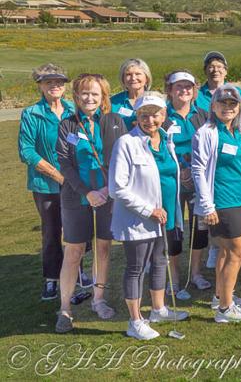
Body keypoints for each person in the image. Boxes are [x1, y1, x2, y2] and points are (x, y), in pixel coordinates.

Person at [109, 92, 189, 340]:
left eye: (155, 114)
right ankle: (135, 321)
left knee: (160, 261)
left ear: (163, 115)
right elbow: (117, 188)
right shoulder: (126, 143)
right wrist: (148, 210)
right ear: (137, 116)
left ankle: (158, 309)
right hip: (139, 219)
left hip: (166, 215)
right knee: (136, 267)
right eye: (144, 115)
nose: (150, 120)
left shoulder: (166, 140)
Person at [55, 74, 127, 333]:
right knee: (73, 252)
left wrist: (108, 189)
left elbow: (123, 157)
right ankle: (65, 308)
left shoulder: (115, 121)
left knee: (103, 249)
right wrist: (87, 192)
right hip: (77, 197)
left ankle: (99, 299)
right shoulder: (67, 125)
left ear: (103, 96)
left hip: (108, 196)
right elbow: (65, 164)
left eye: (95, 93)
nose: (89, 98)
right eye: (84, 93)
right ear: (76, 96)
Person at [192, 84, 241, 322]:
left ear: (239, 107)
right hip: (222, 201)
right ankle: (225, 309)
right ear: (213, 106)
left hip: (238, 199)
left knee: (225, 250)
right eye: (223, 103)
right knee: (238, 252)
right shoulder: (207, 132)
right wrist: (207, 206)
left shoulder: (238, 132)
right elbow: (198, 170)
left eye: (233, 103)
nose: (228, 107)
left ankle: (221, 296)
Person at [19, 64, 75, 301]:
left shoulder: (73, 109)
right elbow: (27, 152)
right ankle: (52, 278)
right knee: (52, 231)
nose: (55, 86)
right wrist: (59, 176)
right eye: (49, 82)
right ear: (40, 86)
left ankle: (78, 271)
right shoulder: (32, 114)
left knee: (76, 228)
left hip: (76, 183)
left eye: (59, 82)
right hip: (46, 185)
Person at [163, 70, 210, 297]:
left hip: (198, 181)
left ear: (194, 91)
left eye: (188, 87)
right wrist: (179, 170)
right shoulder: (162, 115)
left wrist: (194, 171)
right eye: (179, 86)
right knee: (173, 228)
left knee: (199, 228)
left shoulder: (202, 115)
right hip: (171, 181)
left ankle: (196, 273)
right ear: (170, 90)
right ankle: (174, 277)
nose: (184, 91)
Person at [110, 58, 152, 129]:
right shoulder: (113, 102)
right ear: (123, 79)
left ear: (147, 78)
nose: (133, 78)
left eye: (138, 74)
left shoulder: (156, 100)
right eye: (128, 74)